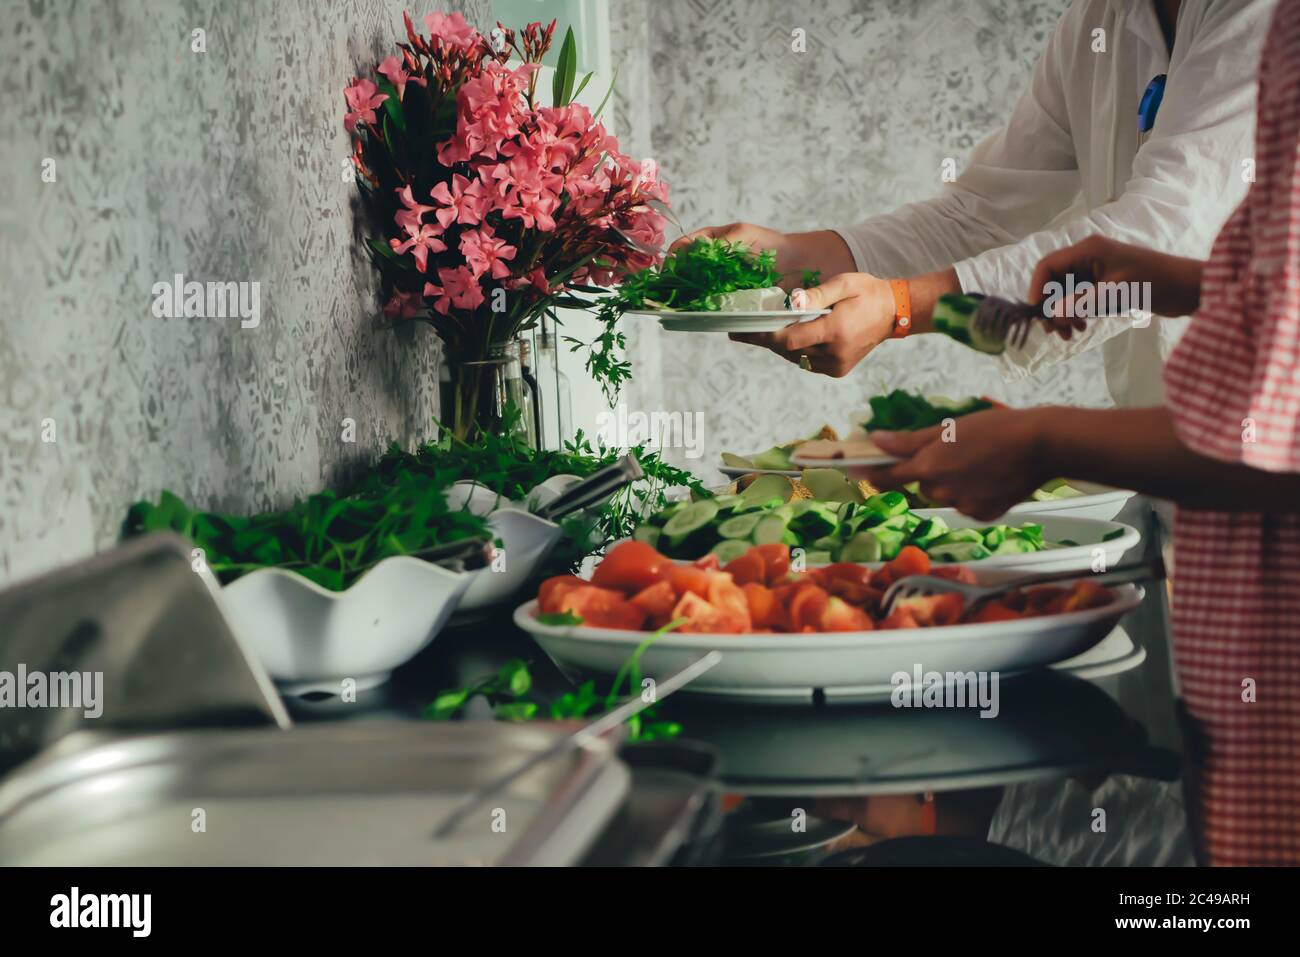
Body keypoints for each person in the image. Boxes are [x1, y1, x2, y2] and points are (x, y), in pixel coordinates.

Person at [853, 0, 1300, 863]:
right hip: (1214, 545)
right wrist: (1171, 282)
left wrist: (1044, 440)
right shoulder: (1109, 21)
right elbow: (1265, 294)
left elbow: (1271, 435)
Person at [676, 0, 1272, 408]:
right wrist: (790, 254)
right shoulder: (1098, 23)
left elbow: (1158, 236)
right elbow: (982, 212)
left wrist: (901, 307)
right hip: (1168, 464)